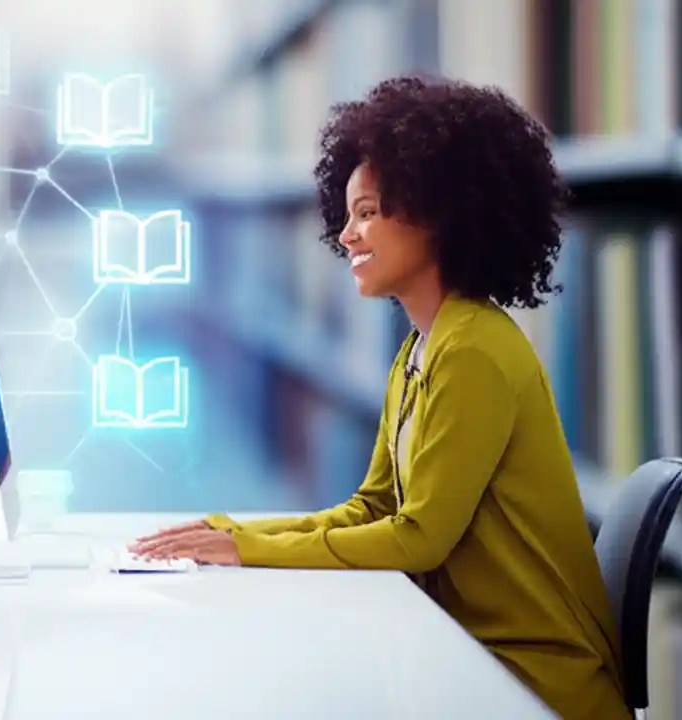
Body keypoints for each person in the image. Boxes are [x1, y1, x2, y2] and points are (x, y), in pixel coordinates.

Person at [130, 75, 628, 719]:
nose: (346, 235)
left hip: (532, 683)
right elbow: (373, 508)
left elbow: (419, 540)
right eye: (346, 216)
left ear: (438, 211)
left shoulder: (473, 351)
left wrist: (246, 549)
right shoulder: (423, 346)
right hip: (468, 660)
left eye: (366, 212)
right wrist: (233, 534)